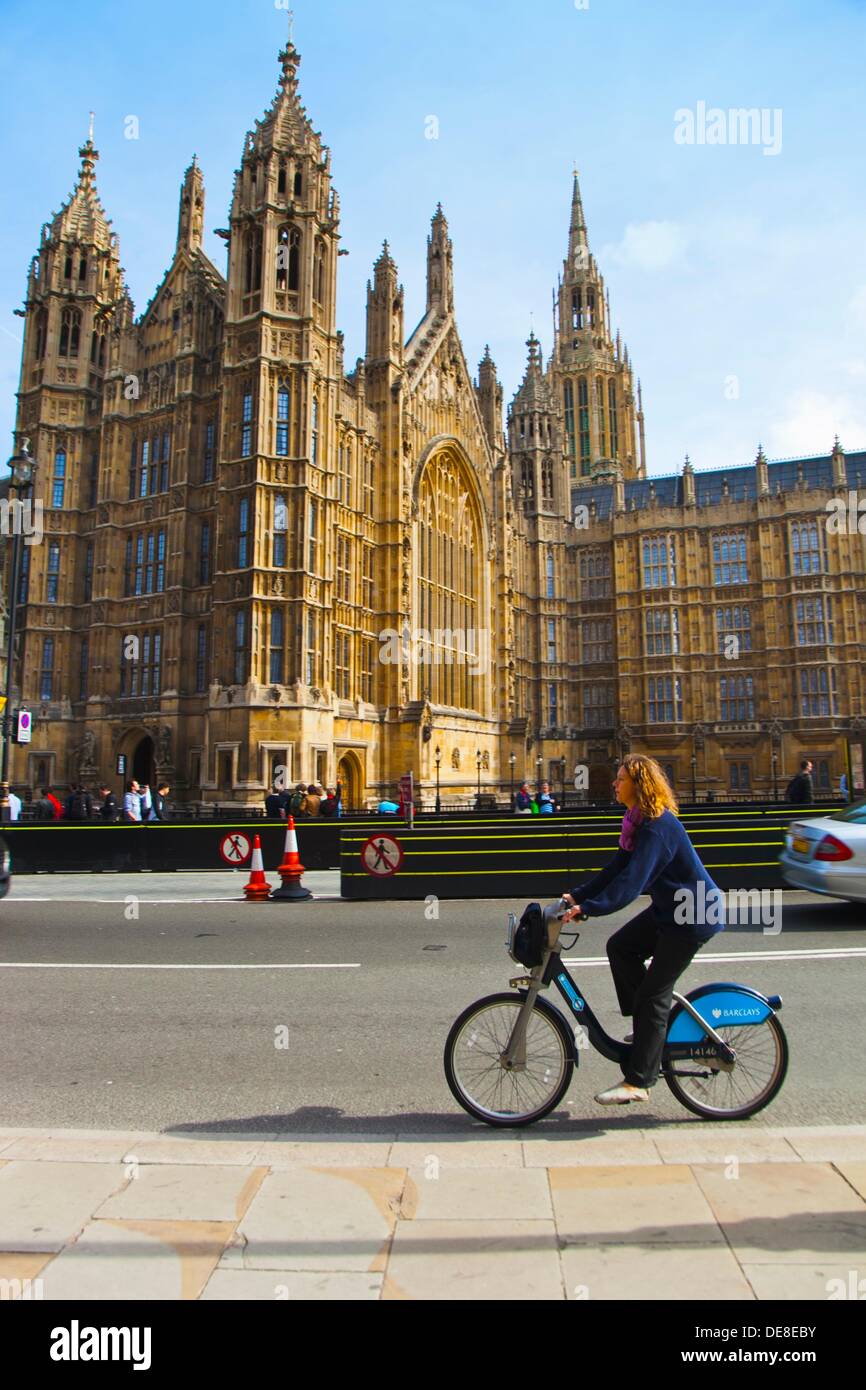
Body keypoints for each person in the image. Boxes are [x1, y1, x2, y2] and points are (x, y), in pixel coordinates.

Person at [560, 754, 725, 1107]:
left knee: (654, 995)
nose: (615, 784)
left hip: (693, 915)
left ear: (638, 785)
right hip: (672, 910)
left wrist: (589, 910)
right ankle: (649, 1030)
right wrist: (578, 895)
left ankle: (639, 1081)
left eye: (621, 779)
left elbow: (632, 884)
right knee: (621, 947)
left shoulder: (657, 827)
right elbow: (615, 869)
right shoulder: (636, 822)